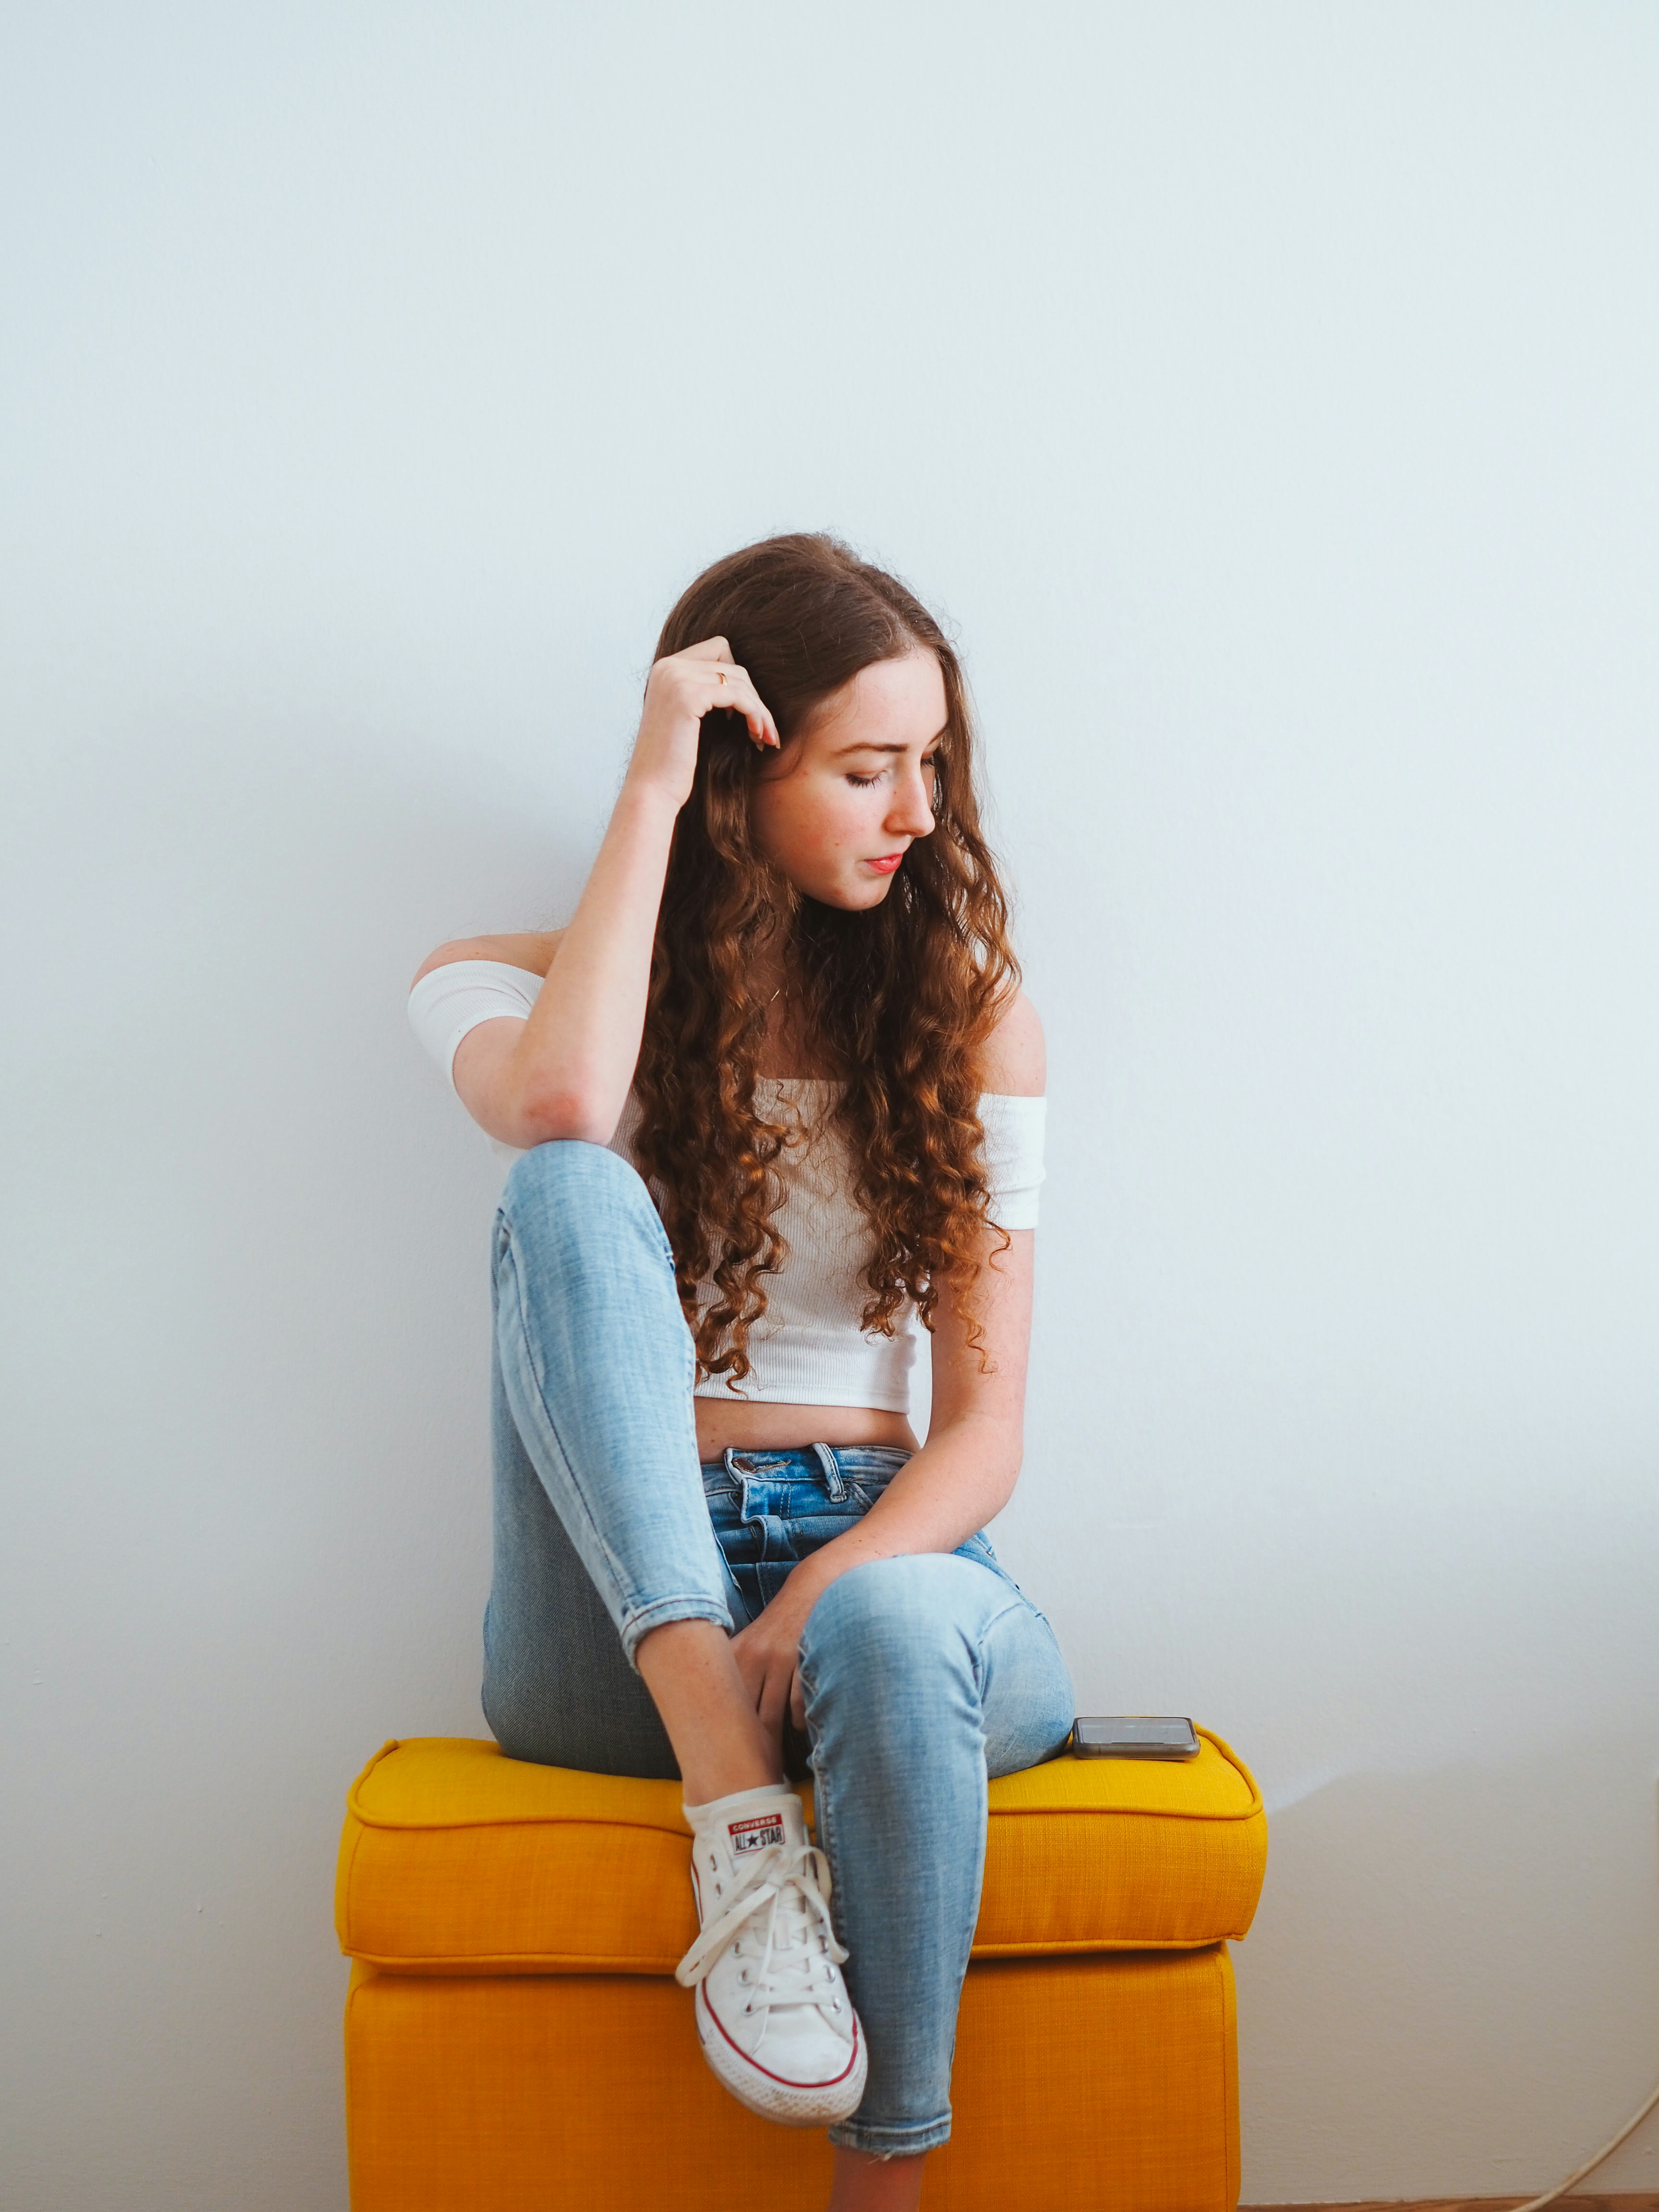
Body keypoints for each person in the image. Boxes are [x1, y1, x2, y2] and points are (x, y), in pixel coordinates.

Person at [407, 533, 1074, 2212]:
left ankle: (886, 2187)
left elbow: (984, 1436)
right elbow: (560, 1111)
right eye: (868, 769)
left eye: (933, 765)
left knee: (894, 1618)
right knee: (564, 1183)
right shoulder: (493, 985)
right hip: (620, 1636)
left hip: (878, 1569)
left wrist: (826, 1590)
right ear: (736, 774)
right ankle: (739, 1813)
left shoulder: (966, 1010)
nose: (918, 812)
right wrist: (650, 786)